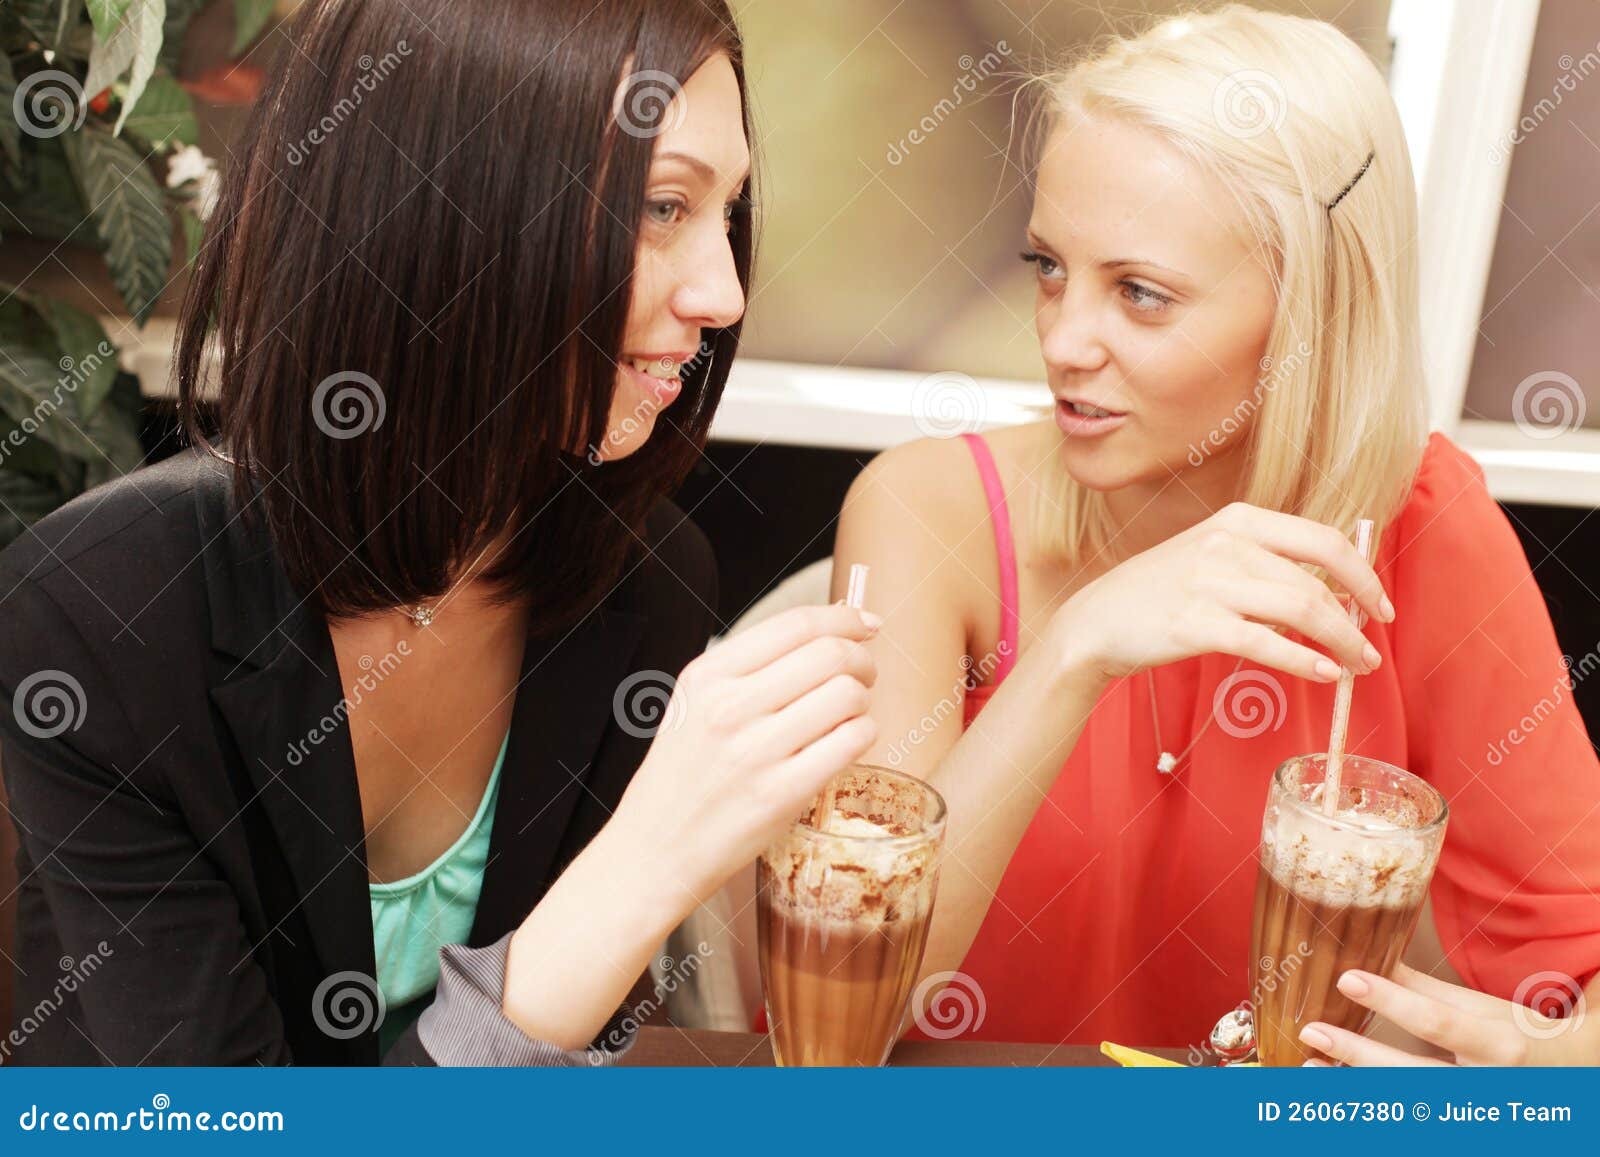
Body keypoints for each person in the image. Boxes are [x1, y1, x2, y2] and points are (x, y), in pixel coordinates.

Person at [0, 0, 879, 1065]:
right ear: (443, 214)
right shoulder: (104, 615)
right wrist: (647, 861)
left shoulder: (642, 581)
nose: (724, 293)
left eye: (725, 209)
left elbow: (574, 1057)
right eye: (659, 205)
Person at [833, 5, 1600, 1064]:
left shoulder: (1423, 524)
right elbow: (849, 1007)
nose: (1062, 338)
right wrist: (1073, 648)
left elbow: (1578, 972)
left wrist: (1517, 1059)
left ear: (1311, 316)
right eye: (1048, 267)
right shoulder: (923, 507)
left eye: (1140, 295)